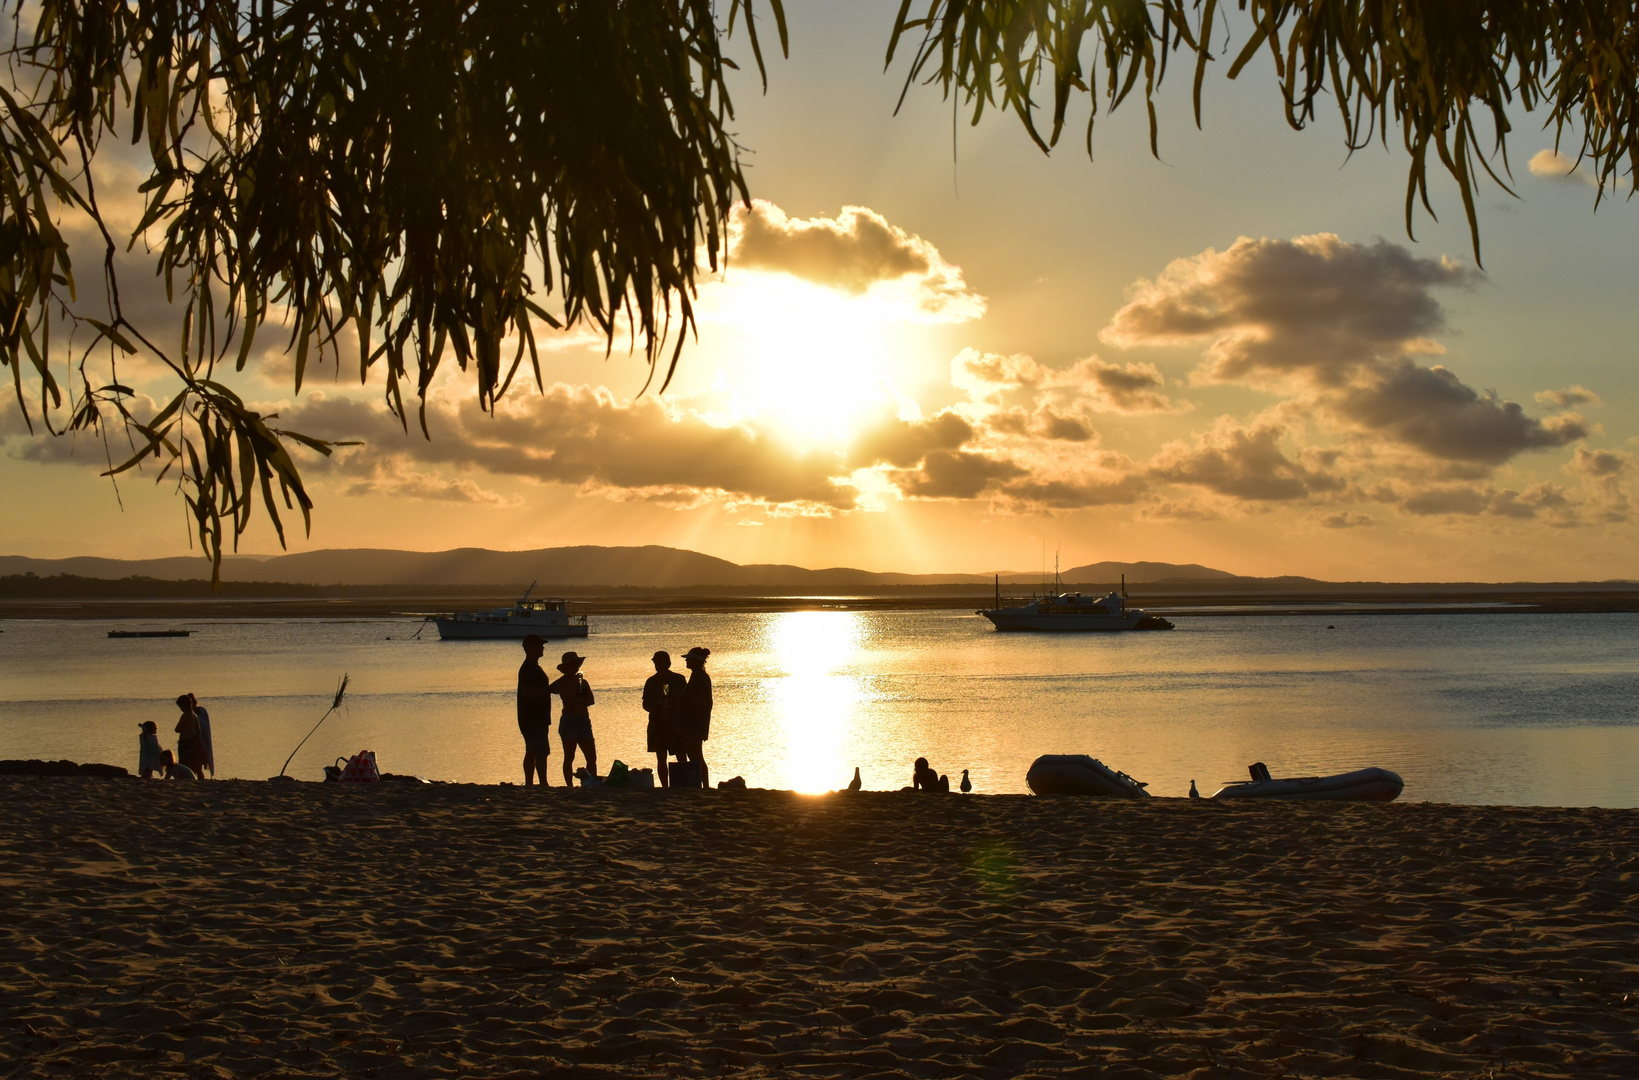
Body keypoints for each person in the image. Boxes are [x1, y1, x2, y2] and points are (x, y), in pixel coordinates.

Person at [642, 651, 688, 787]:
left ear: (668, 663)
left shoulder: (679, 679)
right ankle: (665, 787)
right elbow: (645, 704)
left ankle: (684, 784)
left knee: (681, 754)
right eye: (656, 662)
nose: (658, 665)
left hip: (675, 724)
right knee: (661, 757)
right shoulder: (651, 682)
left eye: (660, 662)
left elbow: (685, 701)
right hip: (657, 724)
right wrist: (653, 708)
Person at [551, 651, 597, 787]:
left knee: (591, 756)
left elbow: (591, 699)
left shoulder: (582, 682)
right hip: (569, 720)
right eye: (572, 664)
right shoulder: (561, 682)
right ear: (566, 667)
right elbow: (550, 689)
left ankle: (591, 782)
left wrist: (577, 703)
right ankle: (569, 785)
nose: (575, 666)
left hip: (583, 719)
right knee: (569, 756)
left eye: (576, 664)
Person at [517, 634, 553, 786]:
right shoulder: (528, 668)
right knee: (540, 751)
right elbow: (527, 692)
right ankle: (541, 783)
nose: (542, 648)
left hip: (536, 716)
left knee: (532, 750)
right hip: (532, 717)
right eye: (539, 646)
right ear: (530, 648)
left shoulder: (533, 667)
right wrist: (548, 690)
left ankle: (530, 784)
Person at [678, 646, 713, 788]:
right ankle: (702, 784)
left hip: (695, 723)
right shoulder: (699, 675)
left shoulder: (699, 676)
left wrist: (682, 698)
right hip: (696, 722)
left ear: (695, 661)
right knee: (695, 755)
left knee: (696, 756)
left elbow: (698, 700)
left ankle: (703, 785)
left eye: (688, 659)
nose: (686, 661)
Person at [174, 695, 207, 779]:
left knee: (183, 761)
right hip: (191, 741)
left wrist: (184, 728)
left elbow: (177, 729)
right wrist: (195, 741)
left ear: (183, 706)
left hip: (184, 740)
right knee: (190, 761)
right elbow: (198, 730)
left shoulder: (185, 715)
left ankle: (183, 778)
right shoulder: (195, 716)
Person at [187, 693, 215, 777]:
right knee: (193, 766)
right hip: (194, 743)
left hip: (199, 744)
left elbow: (203, 728)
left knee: (197, 767)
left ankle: (200, 781)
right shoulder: (190, 714)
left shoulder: (200, 712)